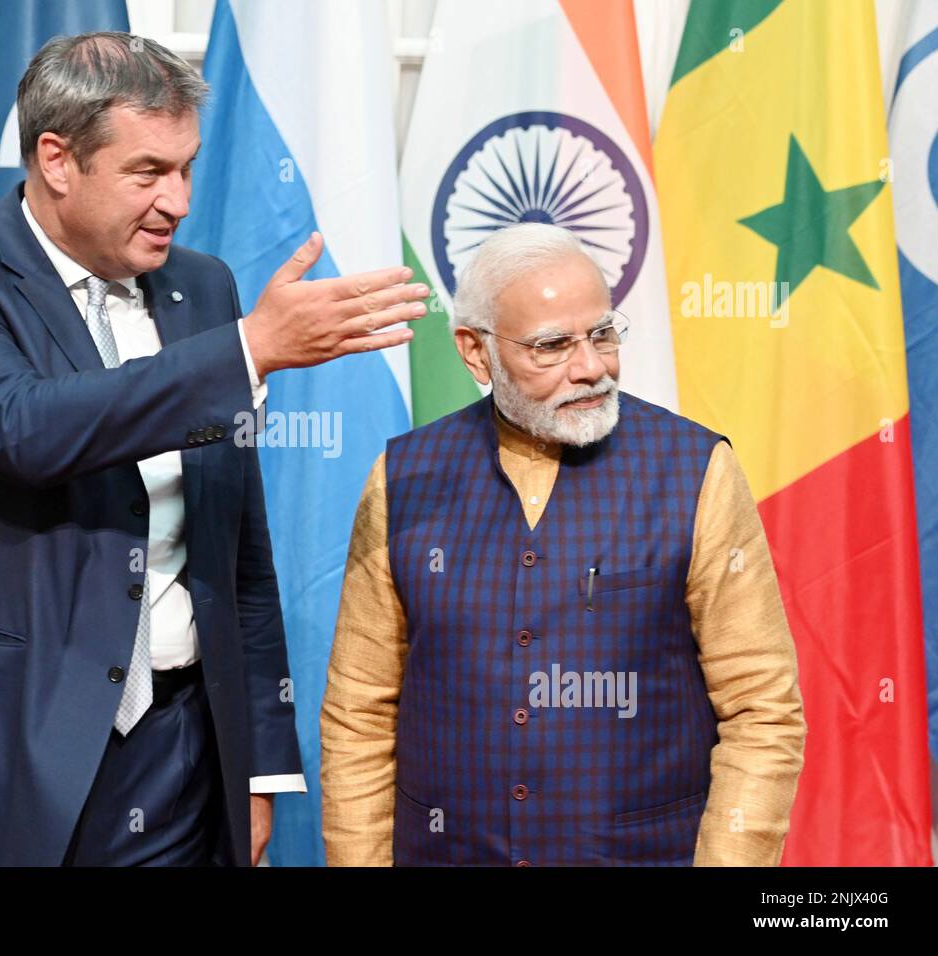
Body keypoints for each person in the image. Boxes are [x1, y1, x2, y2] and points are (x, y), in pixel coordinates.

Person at [0, 31, 427, 866]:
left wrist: (258, 764)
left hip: (179, 757)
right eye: (149, 172)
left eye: (187, 167)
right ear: (57, 159)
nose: (180, 199)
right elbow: (21, 428)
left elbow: (237, 543)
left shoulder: (206, 290)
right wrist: (247, 353)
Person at [320, 223, 806, 866]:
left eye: (602, 334)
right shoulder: (403, 479)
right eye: (552, 346)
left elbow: (762, 713)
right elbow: (358, 715)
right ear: (475, 352)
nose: (592, 368)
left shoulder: (697, 471)